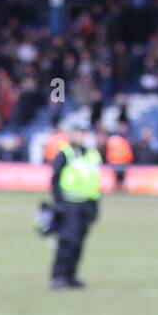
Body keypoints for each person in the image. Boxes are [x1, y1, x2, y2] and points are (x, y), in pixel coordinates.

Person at [49, 123, 103, 290]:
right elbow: (55, 180)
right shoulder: (66, 154)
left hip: (86, 203)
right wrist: (59, 203)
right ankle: (59, 276)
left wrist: (95, 205)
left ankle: (71, 275)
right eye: (78, 133)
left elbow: (95, 181)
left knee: (79, 241)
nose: (81, 136)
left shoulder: (92, 155)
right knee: (67, 240)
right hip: (70, 204)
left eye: (84, 133)